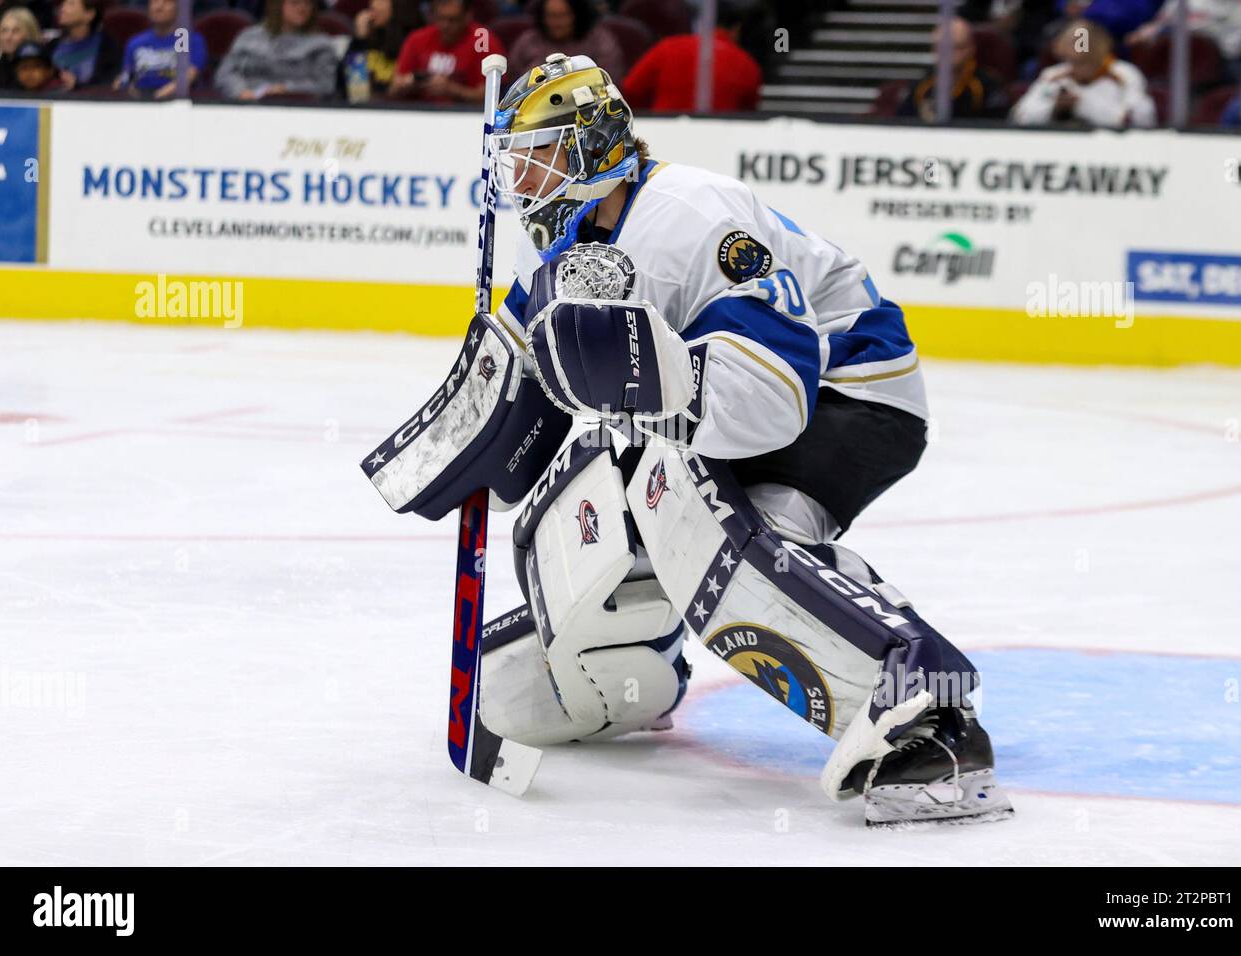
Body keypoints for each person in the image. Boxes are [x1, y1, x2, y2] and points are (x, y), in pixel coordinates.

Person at [392, 53, 1012, 825]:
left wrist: (656, 392)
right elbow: (522, 386)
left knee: (705, 520)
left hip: (850, 394)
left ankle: (930, 714)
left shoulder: (692, 215)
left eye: (541, 157)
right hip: (740, 406)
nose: (525, 180)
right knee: (596, 486)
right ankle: (633, 672)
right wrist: (468, 447)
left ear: (594, 145)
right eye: (516, 163)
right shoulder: (555, 241)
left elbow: (776, 394)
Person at [1011, 18, 1157, 125]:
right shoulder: (1054, 75)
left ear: (1101, 56)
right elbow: (1019, 116)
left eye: (1085, 62)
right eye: (1072, 61)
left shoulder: (1125, 74)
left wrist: (1082, 105)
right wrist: (1054, 109)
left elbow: (1141, 120)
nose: (1077, 68)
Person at [621, 2, 762, 112]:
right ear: (737, 29)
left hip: (662, 138)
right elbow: (748, 115)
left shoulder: (667, 48)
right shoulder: (747, 64)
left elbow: (629, 91)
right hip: (719, 142)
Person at [214, 0, 337, 101]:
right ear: (277, 5)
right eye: (295, 3)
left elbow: (325, 85)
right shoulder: (249, 37)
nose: (302, 8)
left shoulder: (321, 45)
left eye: (308, 3)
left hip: (296, 107)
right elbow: (226, 73)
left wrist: (286, 89)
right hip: (247, 103)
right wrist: (240, 91)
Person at [391, 0, 505, 103]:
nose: (445, 26)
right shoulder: (417, 39)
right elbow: (394, 88)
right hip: (419, 111)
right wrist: (409, 83)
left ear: (467, 16)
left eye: (453, 20)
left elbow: (491, 98)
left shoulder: (483, 41)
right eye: (441, 19)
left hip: (465, 114)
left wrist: (452, 90)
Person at [897, 16, 1010, 119]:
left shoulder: (987, 86)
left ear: (971, 49)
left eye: (956, 47)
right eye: (941, 47)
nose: (948, 54)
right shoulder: (921, 85)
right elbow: (902, 123)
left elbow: (998, 127)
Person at [507, 0, 625, 83]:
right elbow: (513, 81)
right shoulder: (528, 41)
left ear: (577, 15)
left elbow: (609, 79)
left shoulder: (600, 40)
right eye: (551, 16)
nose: (557, 23)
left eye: (563, 15)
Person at [114, 0, 207, 98]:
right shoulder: (136, 43)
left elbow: (189, 76)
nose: (159, 7)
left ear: (179, 8)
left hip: (179, 101)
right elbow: (127, 76)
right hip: (140, 100)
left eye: (167, 2)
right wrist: (123, 84)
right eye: (154, 2)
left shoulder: (188, 40)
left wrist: (156, 98)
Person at [1126, 0, 1241, 65]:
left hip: (1218, 65)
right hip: (1169, 64)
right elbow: (1161, 23)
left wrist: (1202, 35)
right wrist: (1141, 35)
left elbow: (1233, 48)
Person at [342, 0, 420, 97]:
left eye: (380, 1)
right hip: (362, 107)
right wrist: (359, 39)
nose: (373, 5)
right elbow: (345, 85)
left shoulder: (414, 41)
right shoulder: (365, 39)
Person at [52, 0, 120, 89]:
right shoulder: (52, 45)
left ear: (89, 14)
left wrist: (77, 86)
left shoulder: (108, 47)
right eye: (63, 4)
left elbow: (110, 84)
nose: (62, 9)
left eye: (70, 4)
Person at [0, 5, 41, 89]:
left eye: (15, 31)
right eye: (4, 31)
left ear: (29, 34)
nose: (8, 37)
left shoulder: (41, 66)